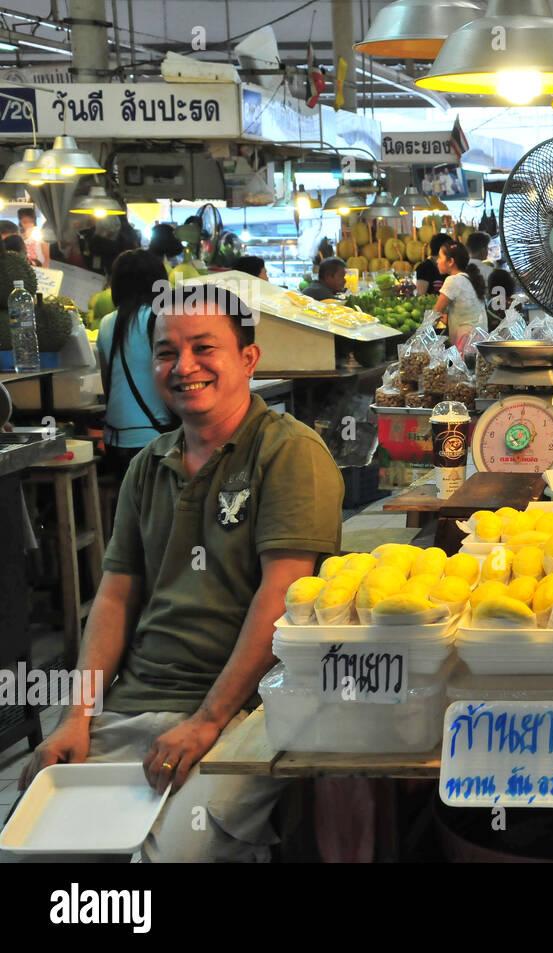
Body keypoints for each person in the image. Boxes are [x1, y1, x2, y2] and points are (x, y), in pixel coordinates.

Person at [13, 282, 344, 863]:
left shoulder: (288, 452)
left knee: (164, 859)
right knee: (37, 850)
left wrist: (207, 720)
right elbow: (114, 597)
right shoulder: (148, 465)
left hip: (245, 714)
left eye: (203, 347)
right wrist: (76, 717)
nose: (183, 366)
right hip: (131, 706)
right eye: (167, 352)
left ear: (248, 358)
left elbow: (281, 597)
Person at [96, 249, 175, 483]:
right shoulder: (161, 318)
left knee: (133, 512)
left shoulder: (106, 322)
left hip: (115, 439)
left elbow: (106, 379)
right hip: (156, 438)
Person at [435, 241, 488, 352]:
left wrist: (419, 337)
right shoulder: (469, 279)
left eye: (440, 257)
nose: (437, 261)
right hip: (480, 344)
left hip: (465, 345)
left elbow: (435, 314)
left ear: (451, 262)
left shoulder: (452, 280)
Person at [485, 266, 517, 330]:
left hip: (491, 338)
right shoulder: (515, 303)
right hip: (513, 339)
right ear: (510, 285)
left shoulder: (488, 304)